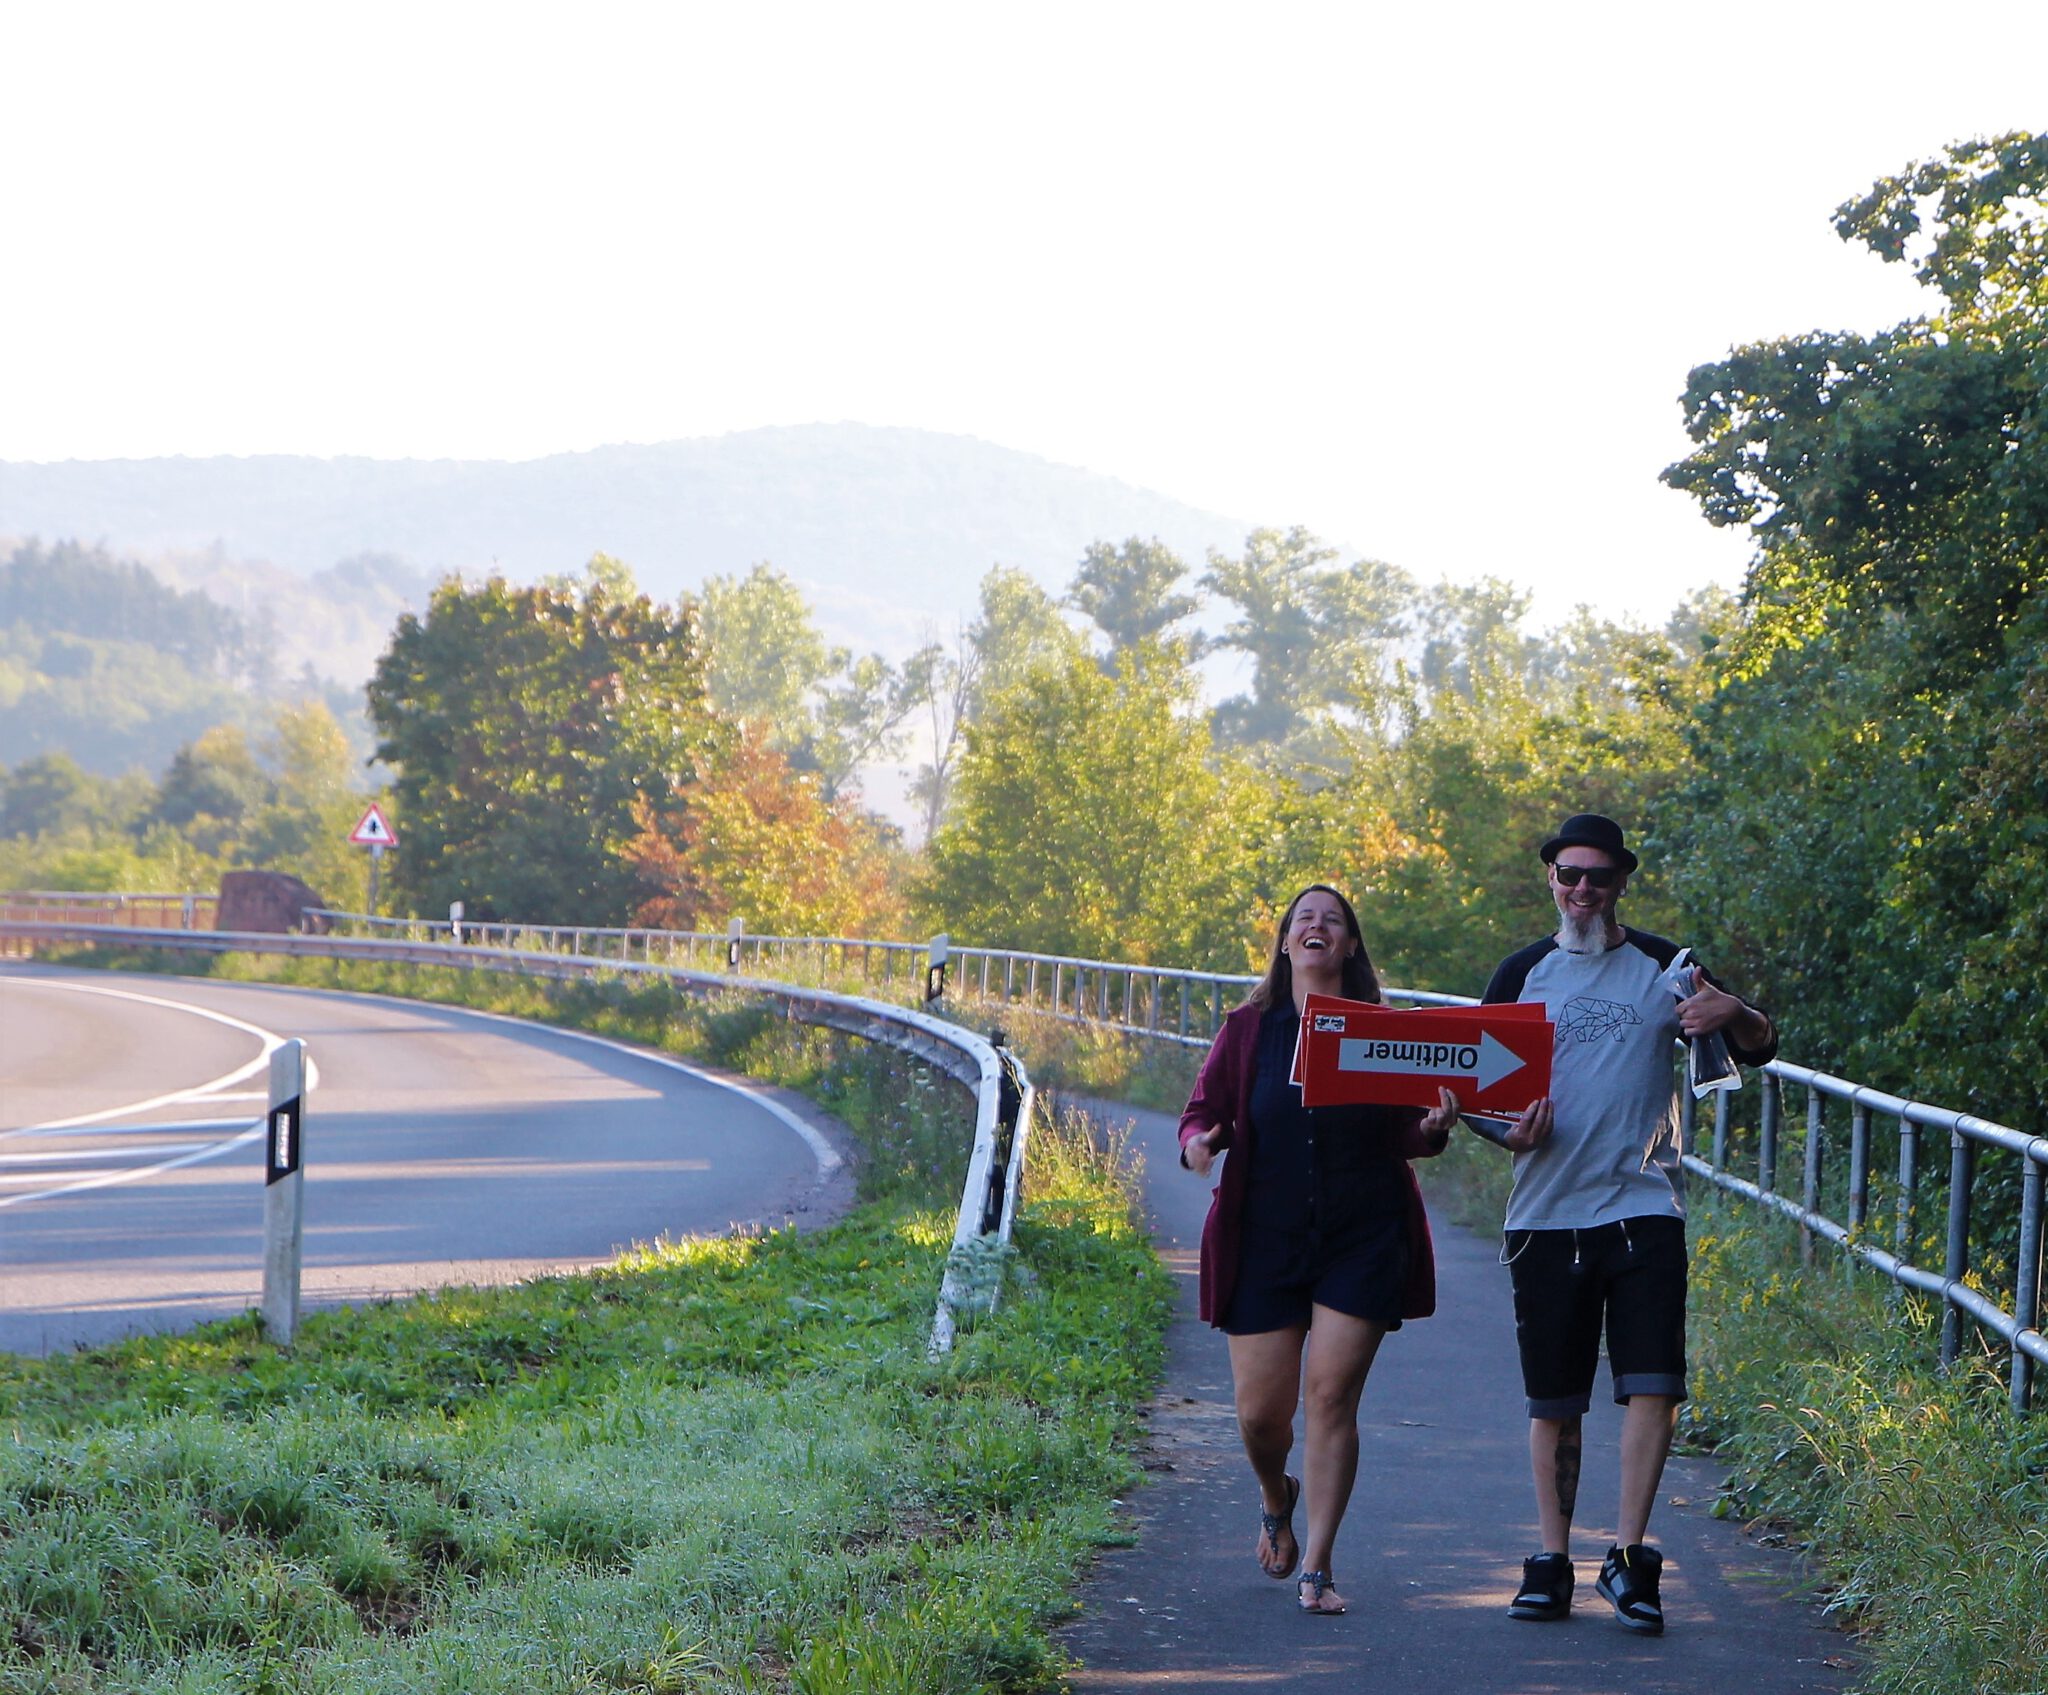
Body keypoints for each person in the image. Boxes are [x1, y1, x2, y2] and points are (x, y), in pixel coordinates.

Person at [1478, 813, 1777, 1636]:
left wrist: (1737, 1009)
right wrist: (1506, 1129)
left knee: (1655, 1383)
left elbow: (1757, 1044)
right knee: (1554, 1400)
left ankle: (1632, 1554)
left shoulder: (1665, 964)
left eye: (1598, 877)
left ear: (1620, 884)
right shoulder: (1520, 972)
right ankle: (1550, 1559)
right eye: (1569, 874)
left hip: (1646, 1203)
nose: (1582, 889)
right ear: (1550, 877)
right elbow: (1474, 1085)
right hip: (1545, 1212)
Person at [1179, 883, 1459, 1615]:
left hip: (1362, 1234)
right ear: (1284, 941)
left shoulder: (1381, 1031)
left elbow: (1407, 1129)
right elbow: (1203, 1111)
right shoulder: (1247, 1030)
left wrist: (1430, 1129)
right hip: (1264, 1235)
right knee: (1259, 1416)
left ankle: (1321, 1564)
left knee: (1331, 1396)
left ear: (1351, 945)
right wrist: (1199, 1142)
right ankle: (1278, 1494)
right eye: (1304, 917)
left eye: (1333, 920)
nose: (1317, 926)